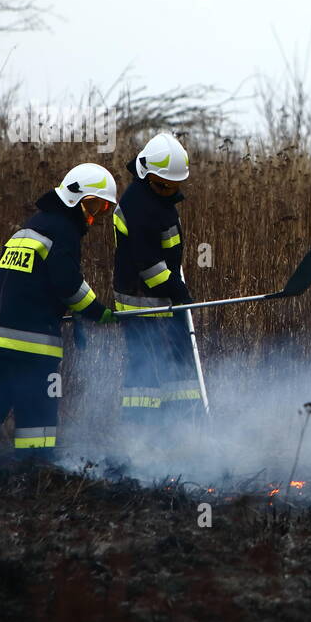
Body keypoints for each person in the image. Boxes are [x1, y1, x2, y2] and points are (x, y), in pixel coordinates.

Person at [0, 163, 118, 466]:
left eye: (103, 209)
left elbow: (28, 282)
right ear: (75, 199)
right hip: (32, 344)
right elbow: (66, 282)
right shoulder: (63, 231)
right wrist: (96, 310)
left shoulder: (32, 226)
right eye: (94, 205)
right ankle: (35, 467)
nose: (95, 216)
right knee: (39, 404)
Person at [112, 132, 202, 425]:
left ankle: (184, 424)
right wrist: (179, 293)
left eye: (173, 187)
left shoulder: (158, 200)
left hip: (164, 297)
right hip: (143, 302)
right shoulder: (139, 206)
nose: (167, 192)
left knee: (179, 364)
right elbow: (150, 266)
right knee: (146, 369)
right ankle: (140, 432)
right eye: (162, 186)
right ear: (145, 174)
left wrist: (176, 291)